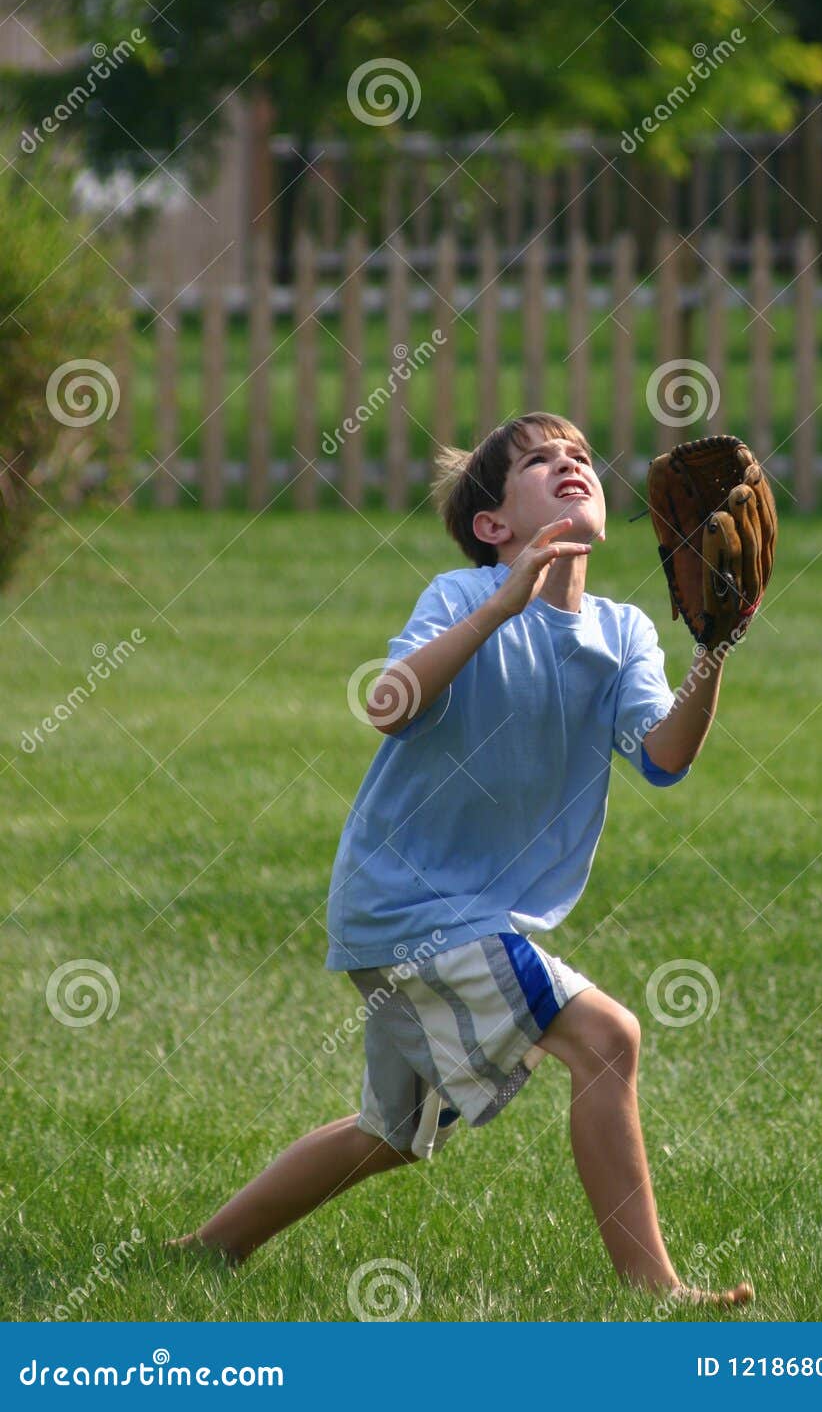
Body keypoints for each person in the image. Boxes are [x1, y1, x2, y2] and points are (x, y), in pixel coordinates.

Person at [170, 412, 752, 1309]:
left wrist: (713, 650)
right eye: (539, 460)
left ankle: (206, 1251)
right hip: (411, 906)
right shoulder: (460, 595)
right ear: (493, 525)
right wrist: (498, 607)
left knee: (392, 1133)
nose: (570, 463)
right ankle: (656, 1294)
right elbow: (387, 706)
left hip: (439, 918)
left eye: (581, 455)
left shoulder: (624, 632)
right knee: (608, 1040)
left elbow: (663, 758)